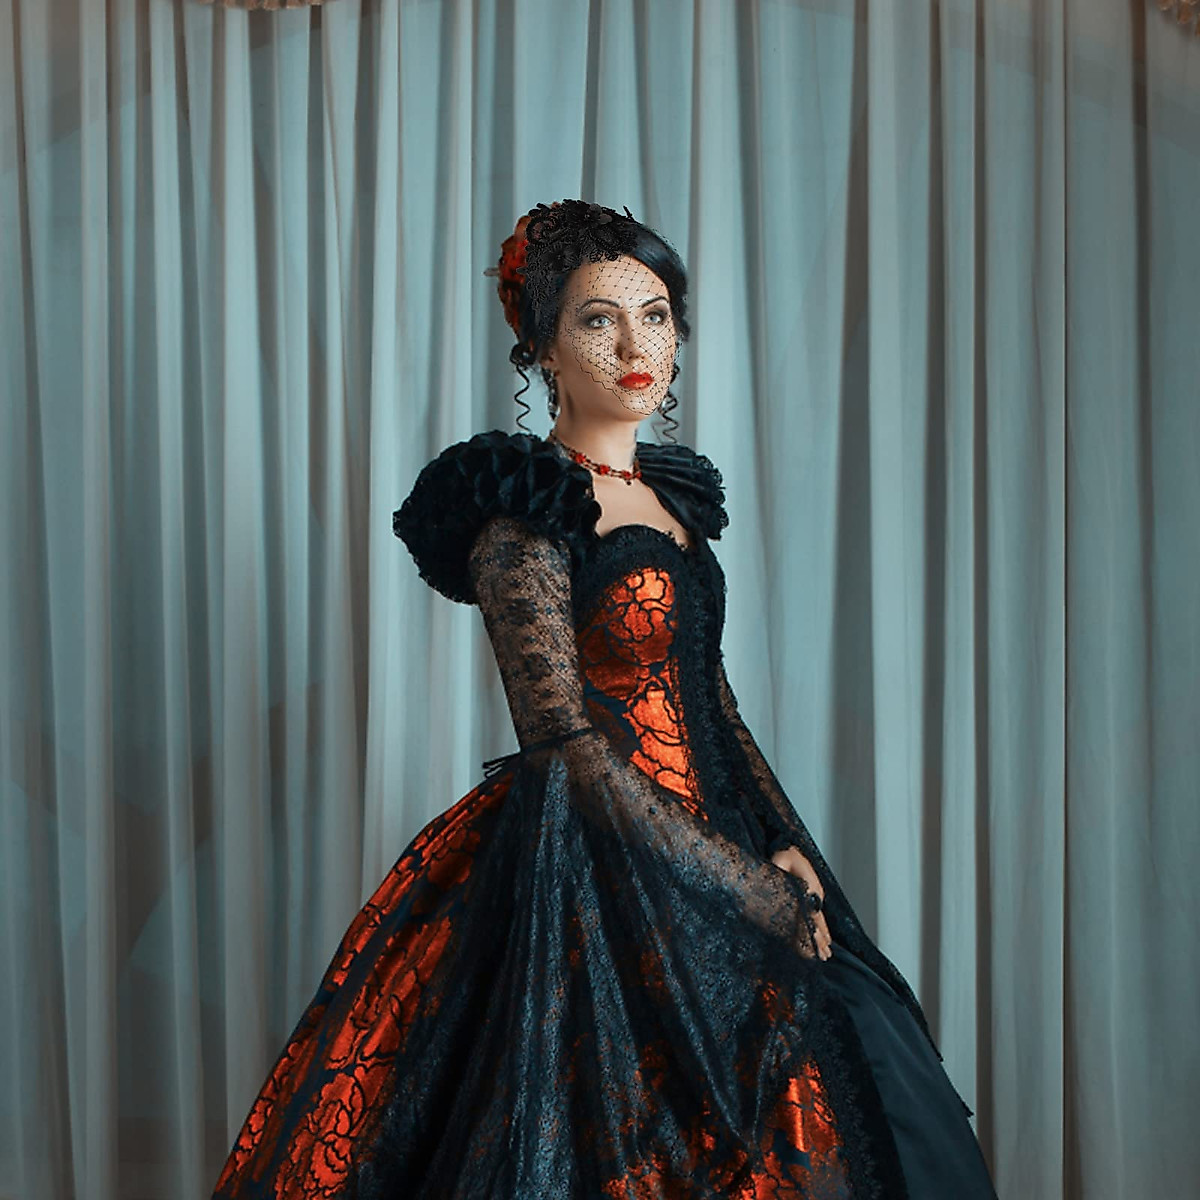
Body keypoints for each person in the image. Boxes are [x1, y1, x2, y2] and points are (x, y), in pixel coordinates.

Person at [211, 199, 998, 1199]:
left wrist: (780, 844)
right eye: (598, 319)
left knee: (859, 1077)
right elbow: (566, 744)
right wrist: (743, 885)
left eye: (656, 315)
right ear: (541, 346)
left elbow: (710, 700)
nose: (636, 346)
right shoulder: (522, 514)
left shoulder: (675, 501)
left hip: (717, 833)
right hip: (587, 861)